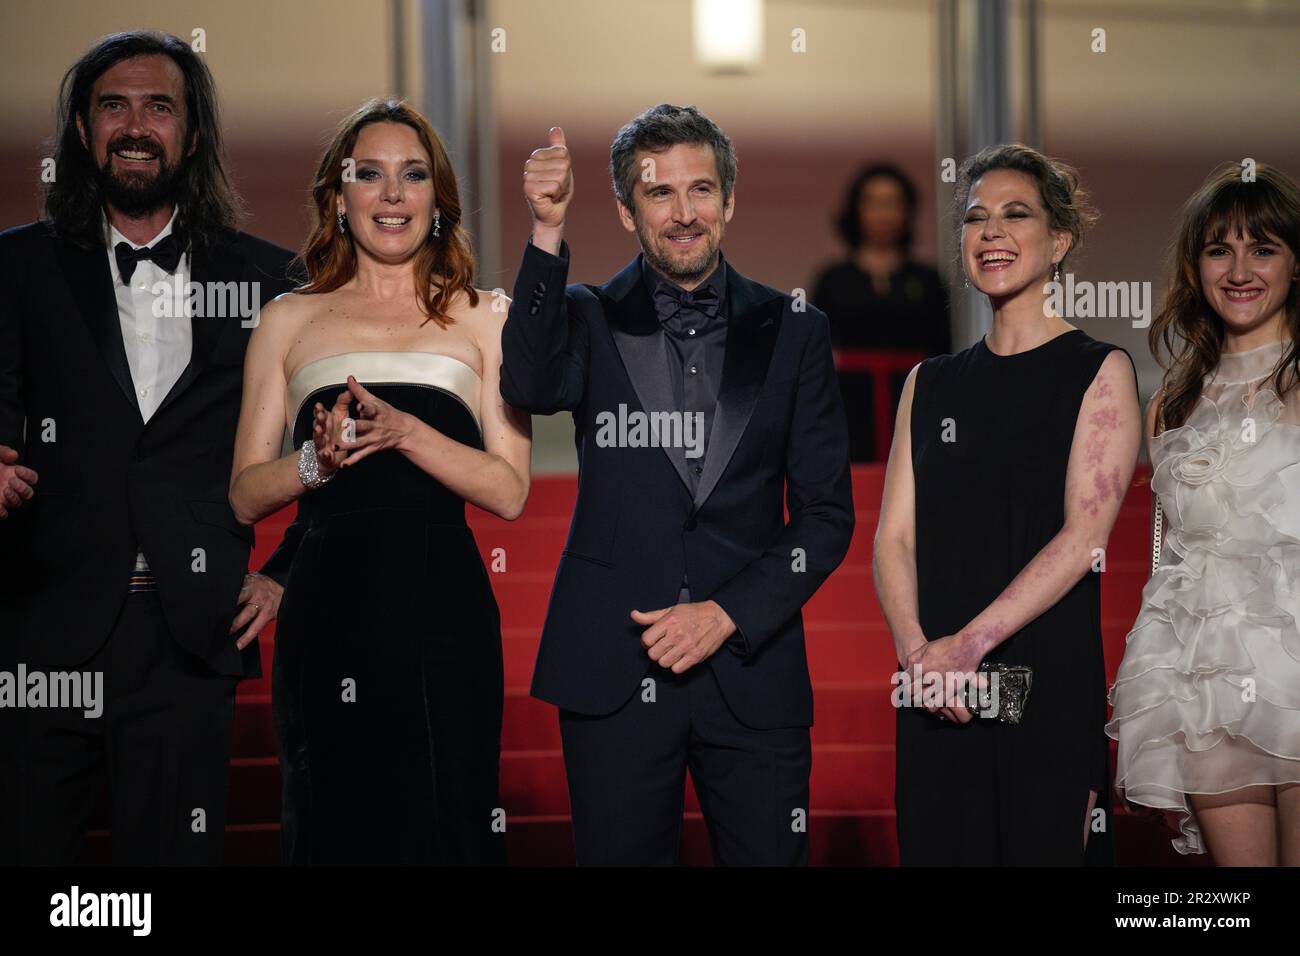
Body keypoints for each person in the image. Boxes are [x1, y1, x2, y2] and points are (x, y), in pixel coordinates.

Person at [500, 104, 854, 866]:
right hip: (611, 671)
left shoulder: (796, 328)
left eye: (701, 190)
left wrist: (727, 614)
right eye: (660, 193)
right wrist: (546, 230)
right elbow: (526, 382)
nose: (684, 213)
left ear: (729, 200)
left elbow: (826, 516)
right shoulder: (585, 315)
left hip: (752, 673)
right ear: (627, 211)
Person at [0, 31, 302, 865]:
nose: (135, 126)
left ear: (193, 134)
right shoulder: (14, 268)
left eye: (158, 107)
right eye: (113, 106)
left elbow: (346, 443)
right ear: (81, 128)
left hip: (189, 637)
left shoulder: (274, 280)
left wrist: (286, 570)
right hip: (38, 631)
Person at [229, 98, 531, 865]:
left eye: (413, 175)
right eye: (371, 174)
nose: (392, 194)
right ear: (340, 196)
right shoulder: (288, 321)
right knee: (332, 826)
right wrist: (314, 464)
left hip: (444, 614)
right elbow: (242, 492)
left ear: (437, 200)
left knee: (447, 821)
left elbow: (508, 490)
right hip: (327, 609)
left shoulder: (485, 318)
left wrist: (405, 431)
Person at [873, 143, 1142, 865]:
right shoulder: (927, 383)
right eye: (975, 218)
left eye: (1015, 215)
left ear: (1059, 241)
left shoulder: (1099, 370)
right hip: (935, 690)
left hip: (1045, 685)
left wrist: (968, 646)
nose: (990, 232)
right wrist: (920, 657)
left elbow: (1084, 535)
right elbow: (894, 539)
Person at [1106, 162, 1300, 865]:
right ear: (1195, 266)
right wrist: (1154, 702)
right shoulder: (1172, 403)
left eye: (1264, 248)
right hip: (1208, 690)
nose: (1240, 268)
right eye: (1220, 249)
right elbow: (1170, 567)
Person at [812, 164, 950, 460]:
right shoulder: (833, 279)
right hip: (848, 410)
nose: (883, 213)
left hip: (915, 406)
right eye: (873, 202)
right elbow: (817, 354)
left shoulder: (928, 280)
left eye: (893, 203)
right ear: (856, 210)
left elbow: (944, 352)